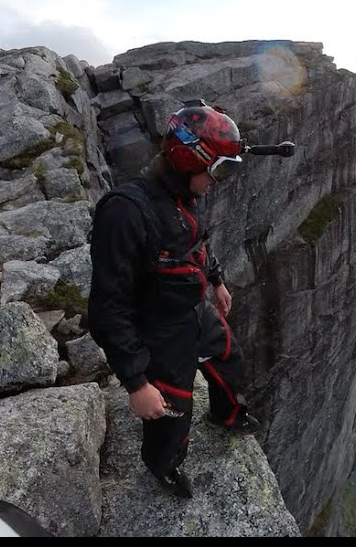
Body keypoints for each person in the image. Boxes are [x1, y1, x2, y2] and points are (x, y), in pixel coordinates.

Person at [87, 99, 261, 500]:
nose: (221, 180)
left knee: (229, 358)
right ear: (188, 159)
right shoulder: (126, 213)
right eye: (219, 169)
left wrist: (216, 281)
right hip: (159, 327)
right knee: (171, 410)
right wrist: (136, 383)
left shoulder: (183, 198)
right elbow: (106, 309)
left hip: (191, 306)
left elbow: (194, 241)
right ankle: (162, 466)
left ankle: (228, 415)